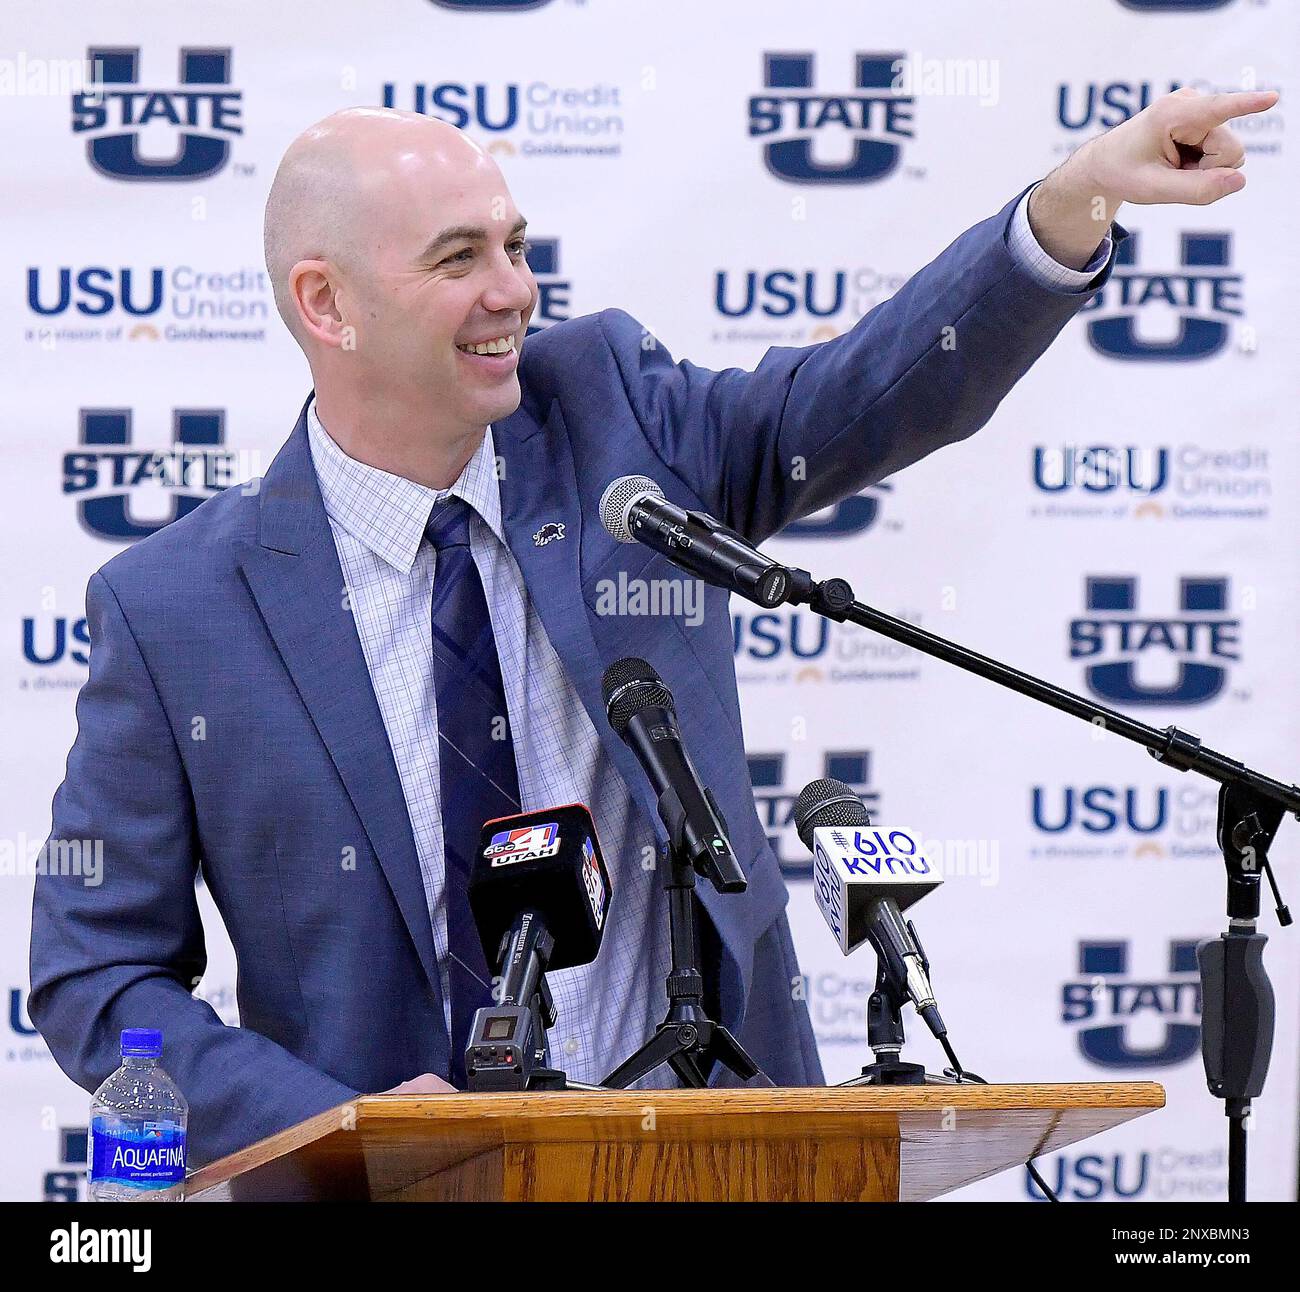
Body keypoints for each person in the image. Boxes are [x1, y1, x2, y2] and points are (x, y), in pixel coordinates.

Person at [30, 90, 1275, 1167]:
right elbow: (97, 976)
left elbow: (857, 395)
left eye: (516, 244)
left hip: (709, 1158)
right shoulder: (175, 607)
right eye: (459, 257)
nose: (514, 289)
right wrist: (341, 1120)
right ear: (327, 302)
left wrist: (1063, 208)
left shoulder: (610, 417)